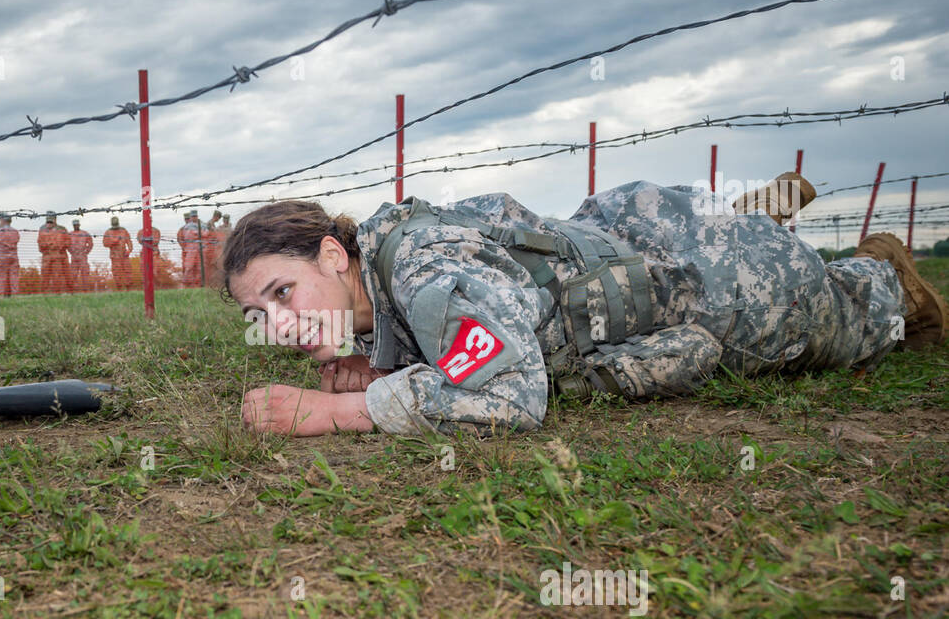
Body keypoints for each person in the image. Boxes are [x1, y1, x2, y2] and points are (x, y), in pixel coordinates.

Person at [220, 177, 947, 437]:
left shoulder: (421, 266)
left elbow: (509, 394)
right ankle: (757, 216)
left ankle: (876, 269)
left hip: (720, 294)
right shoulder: (388, 271)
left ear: (333, 255)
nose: (277, 326)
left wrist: (340, 411)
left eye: (282, 293)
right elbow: (460, 334)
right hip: (641, 228)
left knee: (855, 322)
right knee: (734, 233)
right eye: (260, 313)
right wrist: (375, 369)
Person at [37, 211, 70, 293]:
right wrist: (47, 246)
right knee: (45, 275)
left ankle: (57, 293)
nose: (49, 221)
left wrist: (60, 246)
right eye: (48, 219)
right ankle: (44, 294)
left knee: (57, 275)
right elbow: (39, 242)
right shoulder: (42, 229)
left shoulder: (62, 229)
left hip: (58, 255)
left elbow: (68, 241)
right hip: (47, 255)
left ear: (55, 219)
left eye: (51, 219)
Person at [0, 213, 20, 297]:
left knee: (1, 275)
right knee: (14, 275)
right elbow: (17, 241)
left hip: (0, 256)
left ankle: (2, 294)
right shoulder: (14, 231)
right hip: (13, 256)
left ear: (1, 219)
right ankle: (14, 294)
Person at [103, 215, 134, 290]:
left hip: (124, 255)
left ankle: (129, 288)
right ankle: (119, 288)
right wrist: (114, 241)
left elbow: (129, 241)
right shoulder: (108, 232)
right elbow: (105, 243)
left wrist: (129, 250)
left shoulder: (123, 231)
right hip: (115, 256)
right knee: (117, 272)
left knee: (128, 270)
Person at [178, 210, 204, 287]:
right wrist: (184, 248)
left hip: (200, 250)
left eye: (188, 218)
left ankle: (198, 284)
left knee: (199, 267)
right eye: (186, 219)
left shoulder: (201, 225)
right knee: (188, 267)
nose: (187, 220)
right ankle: (187, 284)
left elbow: (205, 235)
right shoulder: (184, 228)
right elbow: (181, 239)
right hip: (188, 250)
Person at [68, 219, 93, 292]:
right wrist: (71, 251)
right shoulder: (70, 234)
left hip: (83, 257)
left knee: (85, 274)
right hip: (74, 257)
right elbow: (67, 244)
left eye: (77, 225)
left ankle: (86, 291)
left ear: (79, 225)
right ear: (73, 226)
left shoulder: (85, 233)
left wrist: (86, 252)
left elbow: (90, 244)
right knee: (73, 274)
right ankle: (74, 291)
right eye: (74, 225)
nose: (76, 226)